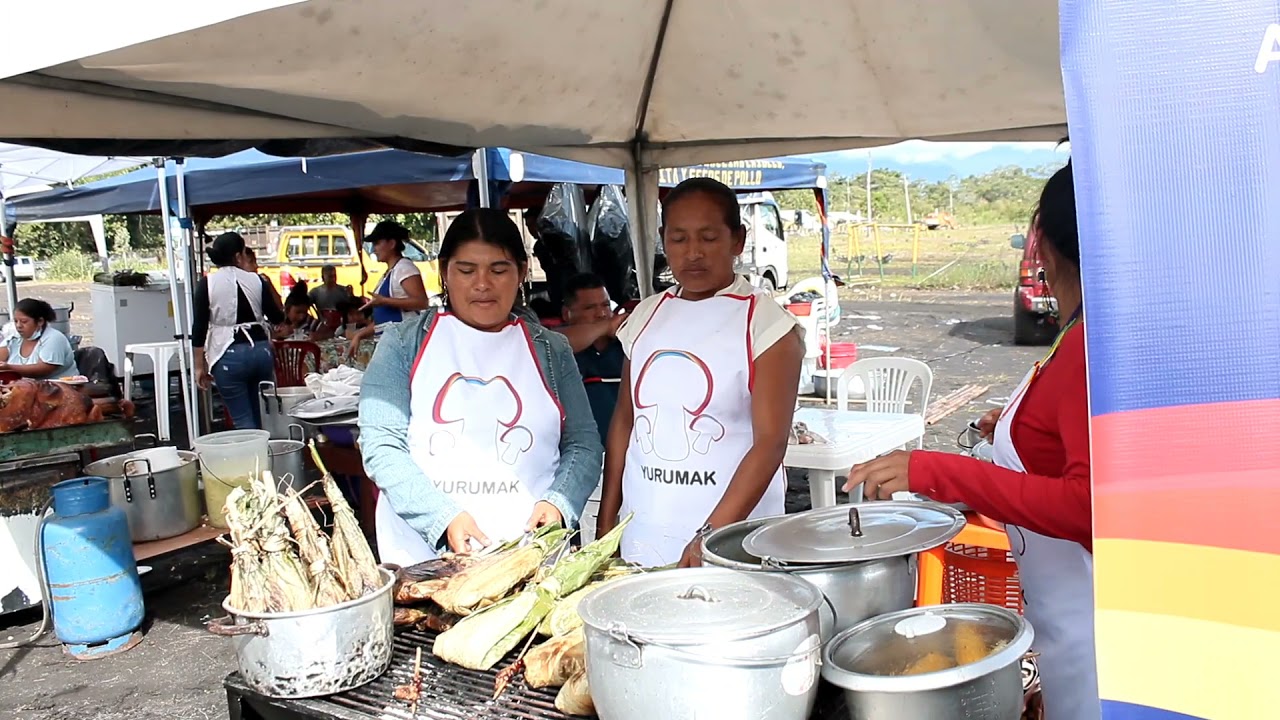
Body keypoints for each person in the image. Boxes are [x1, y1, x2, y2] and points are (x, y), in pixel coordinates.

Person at [844, 160, 1097, 720]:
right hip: (1066, 625)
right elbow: (1065, 437)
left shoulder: (1087, 347)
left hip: (1098, 633)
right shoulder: (1082, 332)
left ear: (1045, 246)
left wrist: (933, 471)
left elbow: (1089, 507)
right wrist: (1010, 427)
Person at [359, 208, 602, 566]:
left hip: (530, 554)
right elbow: (381, 444)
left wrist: (559, 502)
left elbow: (583, 443)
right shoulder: (403, 342)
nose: (482, 284)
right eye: (466, 270)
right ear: (444, 271)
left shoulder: (551, 350)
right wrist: (442, 518)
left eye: (499, 270)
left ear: (521, 272)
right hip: (425, 559)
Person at [595, 178, 804, 568]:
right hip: (644, 533)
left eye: (708, 238)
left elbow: (770, 444)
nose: (693, 253)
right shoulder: (646, 316)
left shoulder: (767, 325)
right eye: (678, 239)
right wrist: (607, 519)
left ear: (737, 240)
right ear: (663, 240)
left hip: (731, 544)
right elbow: (625, 421)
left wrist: (709, 536)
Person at [192, 232, 284, 429]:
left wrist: (199, 365)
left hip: (228, 352)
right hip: (260, 351)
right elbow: (277, 317)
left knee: (243, 419)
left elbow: (199, 326)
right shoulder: (257, 280)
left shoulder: (207, 283)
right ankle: (269, 454)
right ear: (238, 256)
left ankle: (254, 458)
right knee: (262, 414)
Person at [556, 272, 626, 443]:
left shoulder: (626, 344)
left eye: (606, 305)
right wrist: (606, 326)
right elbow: (553, 343)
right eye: (590, 308)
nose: (601, 313)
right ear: (567, 314)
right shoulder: (558, 346)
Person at [347, 221, 430, 356]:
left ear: (392, 244)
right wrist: (360, 334)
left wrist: (385, 301)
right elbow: (383, 322)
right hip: (391, 343)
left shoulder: (404, 268)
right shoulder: (391, 272)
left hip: (404, 344)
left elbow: (422, 302)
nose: (374, 249)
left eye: (377, 243)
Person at [0, 298, 77, 379]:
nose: (18, 325)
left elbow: (44, 369)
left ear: (40, 321)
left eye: (24, 321)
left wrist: (10, 368)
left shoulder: (54, 338)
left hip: (58, 388)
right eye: (16, 321)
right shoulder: (13, 339)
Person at [239, 246, 283, 310]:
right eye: (251, 262)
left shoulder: (261, 282)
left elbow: (279, 308)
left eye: (255, 261)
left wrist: (270, 286)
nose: (256, 266)